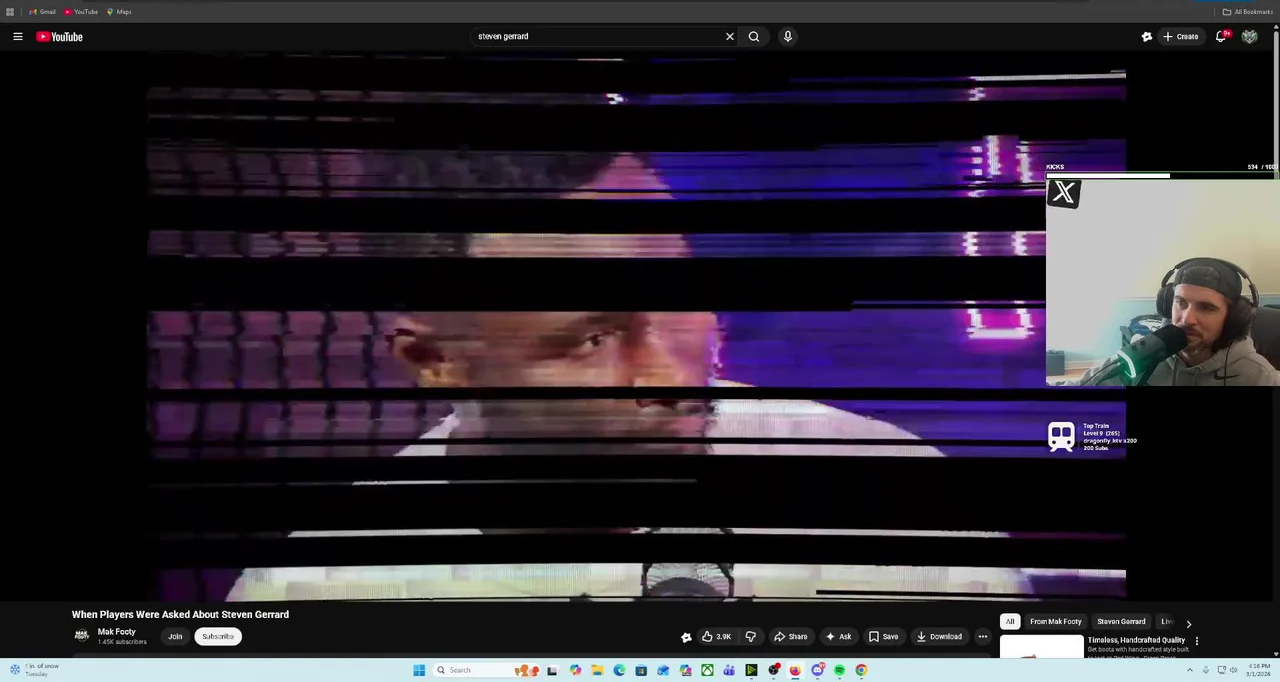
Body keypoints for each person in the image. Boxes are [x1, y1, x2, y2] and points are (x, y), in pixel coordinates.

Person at [226, 152, 1038, 601]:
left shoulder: (885, 495)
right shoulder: (324, 590)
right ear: (435, 360)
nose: (672, 375)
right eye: (592, 338)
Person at [1068, 257, 1278, 386]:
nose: (1187, 318)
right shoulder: (1142, 355)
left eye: (1206, 307)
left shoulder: (1258, 377)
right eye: (1181, 303)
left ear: (1232, 317)